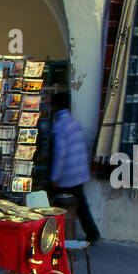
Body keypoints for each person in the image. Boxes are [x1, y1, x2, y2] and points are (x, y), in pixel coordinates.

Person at [49, 92, 101, 244]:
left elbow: (60, 154)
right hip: (78, 173)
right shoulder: (75, 123)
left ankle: (54, 235)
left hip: (66, 175)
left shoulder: (59, 127)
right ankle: (92, 233)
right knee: (81, 205)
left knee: (56, 205)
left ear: (55, 107)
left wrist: (54, 177)